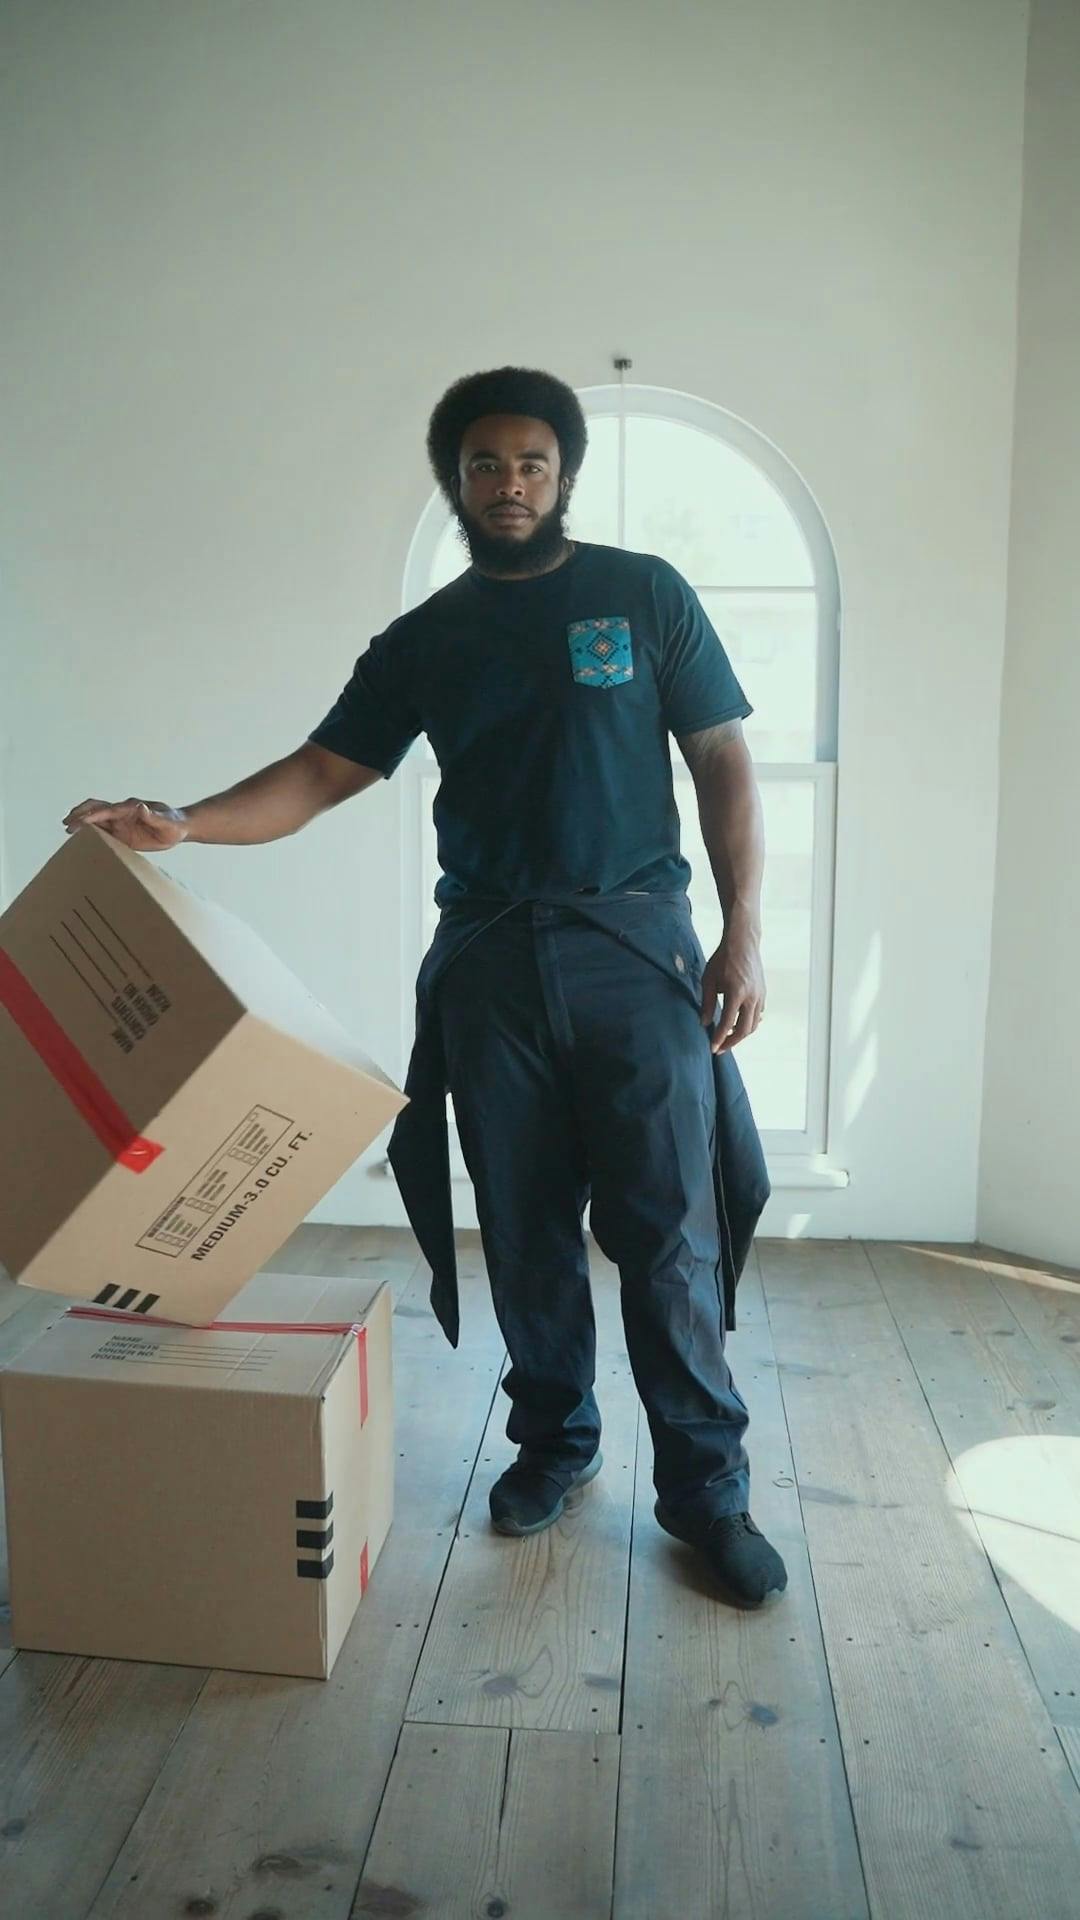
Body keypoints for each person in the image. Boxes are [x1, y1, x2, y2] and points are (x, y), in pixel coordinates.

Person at [64, 365, 787, 1609]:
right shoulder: (427, 641)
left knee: (668, 1231)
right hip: (491, 967)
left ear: (565, 474)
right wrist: (181, 819)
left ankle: (706, 1493)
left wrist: (744, 935)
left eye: (532, 463)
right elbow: (318, 775)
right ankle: (554, 1447)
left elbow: (722, 757)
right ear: (454, 478)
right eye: (485, 465)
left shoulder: (642, 596)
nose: (509, 484)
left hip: (637, 952)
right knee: (520, 1220)